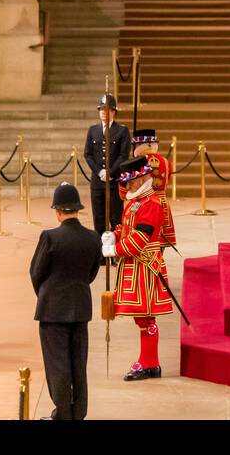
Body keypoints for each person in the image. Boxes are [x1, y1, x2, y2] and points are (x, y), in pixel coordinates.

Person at [29, 183, 101, 420]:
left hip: (52, 309)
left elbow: (36, 272)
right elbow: (91, 274)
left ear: (58, 211)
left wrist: (46, 293)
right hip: (80, 306)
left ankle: (63, 413)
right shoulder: (92, 238)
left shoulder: (50, 237)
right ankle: (78, 412)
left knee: (57, 365)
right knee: (78, 363)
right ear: (77, 210)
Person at [102, 154, 176, 381]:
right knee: (142, 318)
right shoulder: (135, 203)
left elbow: (140, 238)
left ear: (142, 178)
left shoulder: (151, 204)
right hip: (135, 265)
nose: (128, 185)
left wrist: (116, 250)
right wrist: (114, 236)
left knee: (145, 317)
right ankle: (149, 362)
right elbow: (127, 230)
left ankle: (149, 362)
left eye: (131, 181)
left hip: (144, 265)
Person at [84, 93, 131, 241]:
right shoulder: (93, 130)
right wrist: (99, 172)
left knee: (116, 220)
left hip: (115, 181)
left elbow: (123, 155)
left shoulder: (122, 131)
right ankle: (101, 254)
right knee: (99, 220)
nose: (104, 112)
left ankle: (116, 251)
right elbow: (88, 154)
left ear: (114, 112)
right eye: (101, 109)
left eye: (107, 109)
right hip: (98, 182)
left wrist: (111, 171)